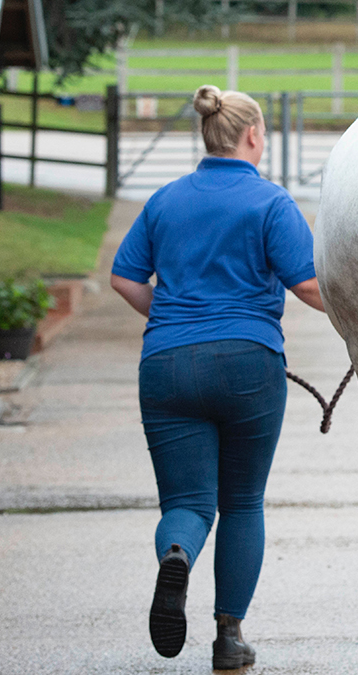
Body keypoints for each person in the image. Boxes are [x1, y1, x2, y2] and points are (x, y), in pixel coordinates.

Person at [110, 84, 325, 670]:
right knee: (243, 501)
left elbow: (125, 279)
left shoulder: (164, 201)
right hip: (248, 366)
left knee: (187, 503)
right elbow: (308, 284)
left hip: (167, 366)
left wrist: (176, 319)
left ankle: (176, 555)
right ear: (254, 135)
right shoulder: (271, 203)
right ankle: (228, 638)